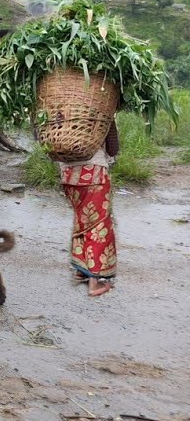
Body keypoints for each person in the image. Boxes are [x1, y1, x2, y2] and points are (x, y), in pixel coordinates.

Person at [59, 117, 120, 297]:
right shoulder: (102, 111)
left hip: (68, 174)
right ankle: (95, 280)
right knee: (99, 225)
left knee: (82, 220)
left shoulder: (62, 110)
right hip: (94, 173)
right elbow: (113, 147)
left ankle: (81, 270)